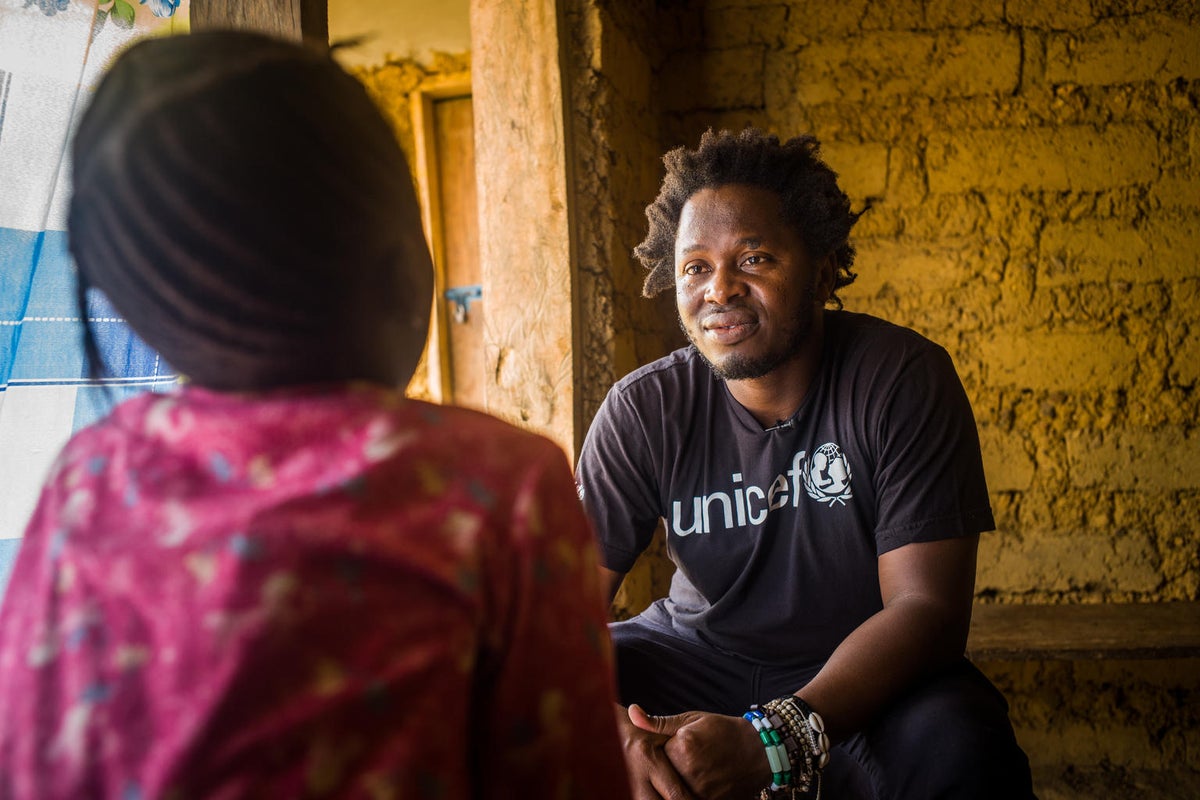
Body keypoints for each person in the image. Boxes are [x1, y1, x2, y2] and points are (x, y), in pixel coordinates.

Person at [0, 31, 631, 799]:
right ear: (405, 272)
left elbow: (29, 760)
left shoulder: (91, 481)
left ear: (148, 314)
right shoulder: (501, 490)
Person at [575, 128, 1035, 799]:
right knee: (528, 707)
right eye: (695, 266)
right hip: (692, 659)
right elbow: (554, 619)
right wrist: (615, 732)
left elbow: (926, 609)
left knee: (959, 744)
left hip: (855, 670)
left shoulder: (900, 380)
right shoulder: (644, 408)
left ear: (821, 271)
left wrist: (779, 737)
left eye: (754, 259)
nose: (720, 289)